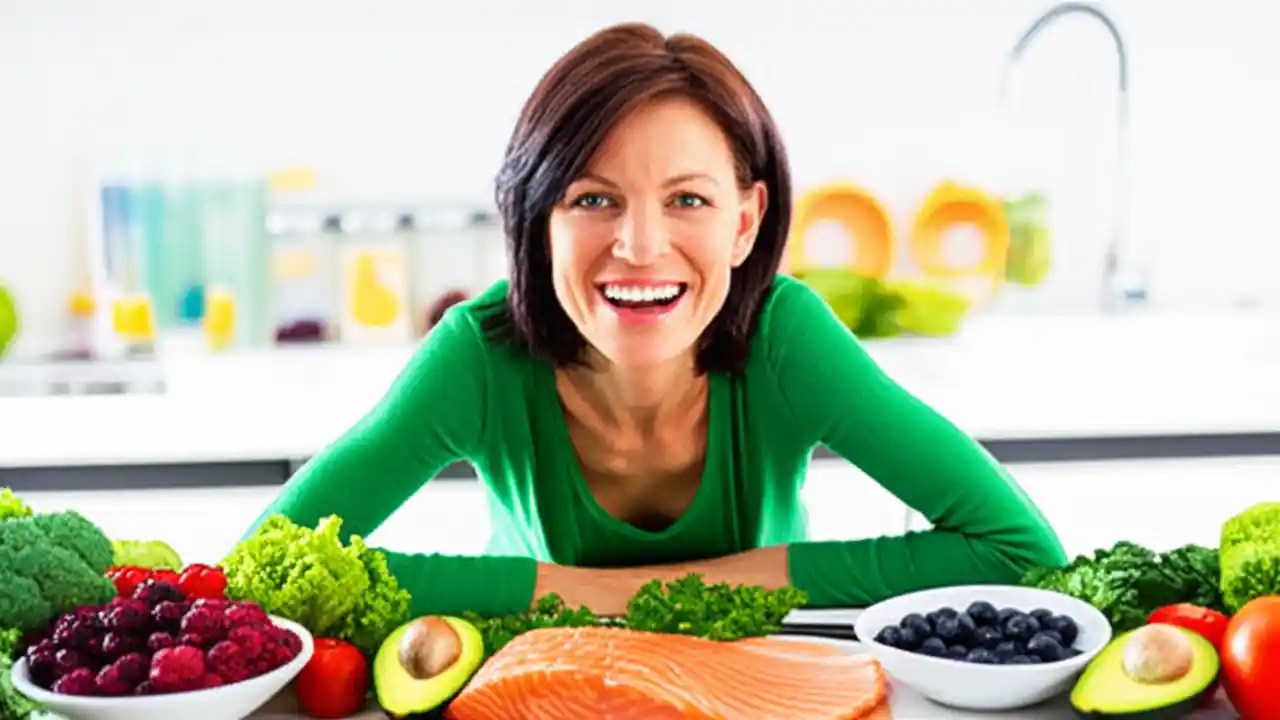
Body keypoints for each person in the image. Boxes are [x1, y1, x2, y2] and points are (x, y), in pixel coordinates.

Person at [243, 22, 1066, 618]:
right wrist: (568, 592)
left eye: (688, 200)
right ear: (538, 222)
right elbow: (262, 567)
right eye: (593, 199)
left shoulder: (787, 338)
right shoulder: (480, 355)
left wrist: (686, 589)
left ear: (746, 223)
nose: (640, 247)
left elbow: (1019, 549)